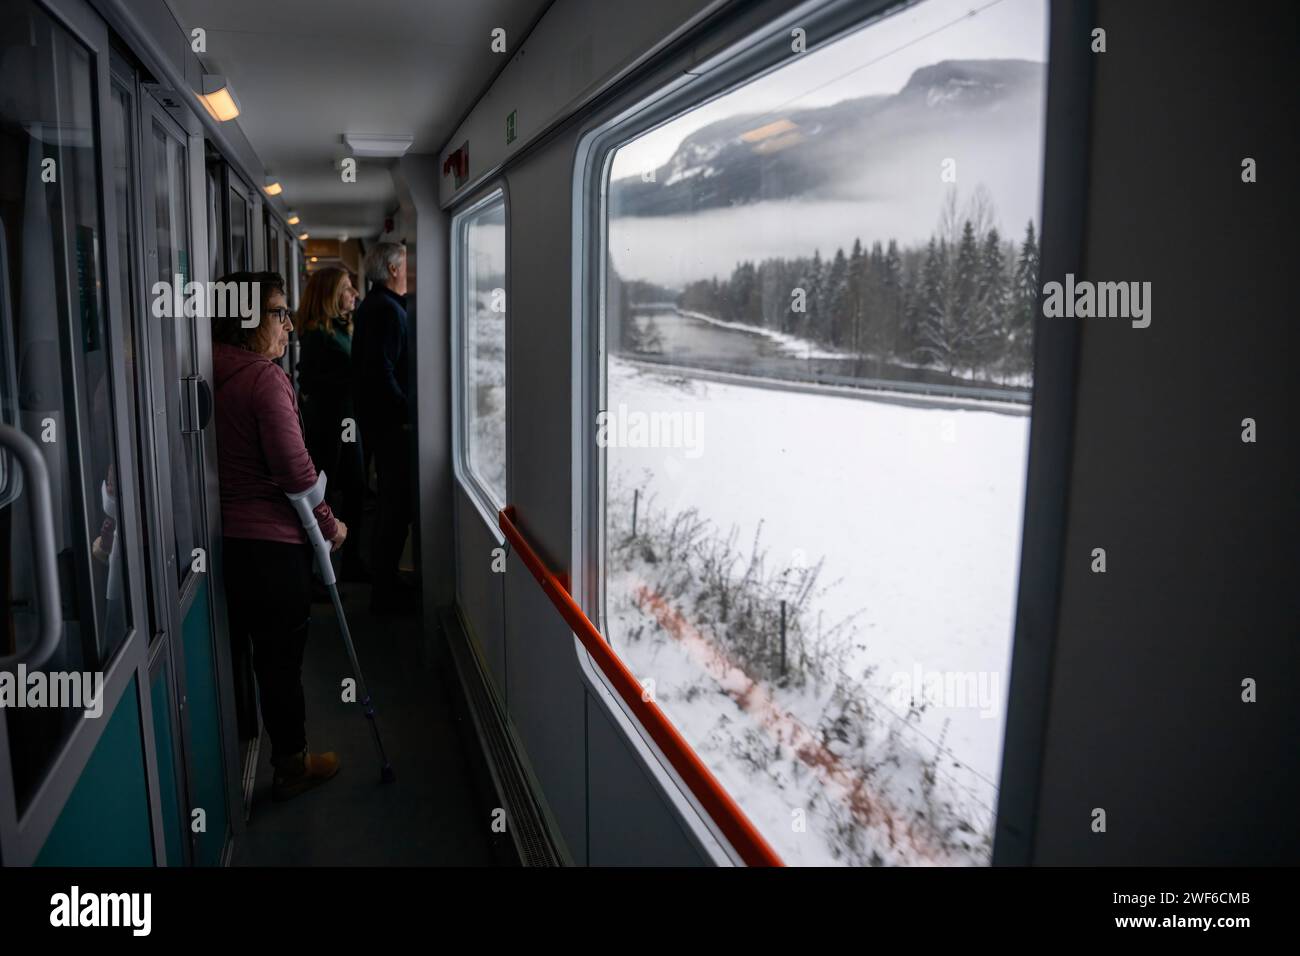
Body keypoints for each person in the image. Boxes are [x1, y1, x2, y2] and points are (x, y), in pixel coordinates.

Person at [211, 271, 345, 801]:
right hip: (271, 548)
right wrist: (332, 526)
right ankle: (291, 764)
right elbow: (296, 472)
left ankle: (242, 746)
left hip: (226, 542)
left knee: (243, 654)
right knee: (280, 663)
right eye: (277, 313)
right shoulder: (264, 378)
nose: (288, 324)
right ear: (246, 320)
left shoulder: (203, 369)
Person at [351, 242, 416, 614]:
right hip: (391, 425)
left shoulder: (378, 307)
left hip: (380, 422)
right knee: (396, 506)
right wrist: (408, 411)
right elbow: (382, 372)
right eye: (407, 264)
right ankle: (385, 591)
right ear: (393, 270)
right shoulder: (387, 312)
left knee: (394, 504)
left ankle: (385, 584)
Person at [297, 266, 366, 582]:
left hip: (348, 419)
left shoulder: (343, 328)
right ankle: (320, 572)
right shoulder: (317, 332)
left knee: (355, 489)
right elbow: (309, 381)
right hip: (329, 425)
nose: (354, 293)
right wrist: (354, 377)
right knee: (329, 495)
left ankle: (348, 562)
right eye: (347, 287)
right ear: (329, 294)